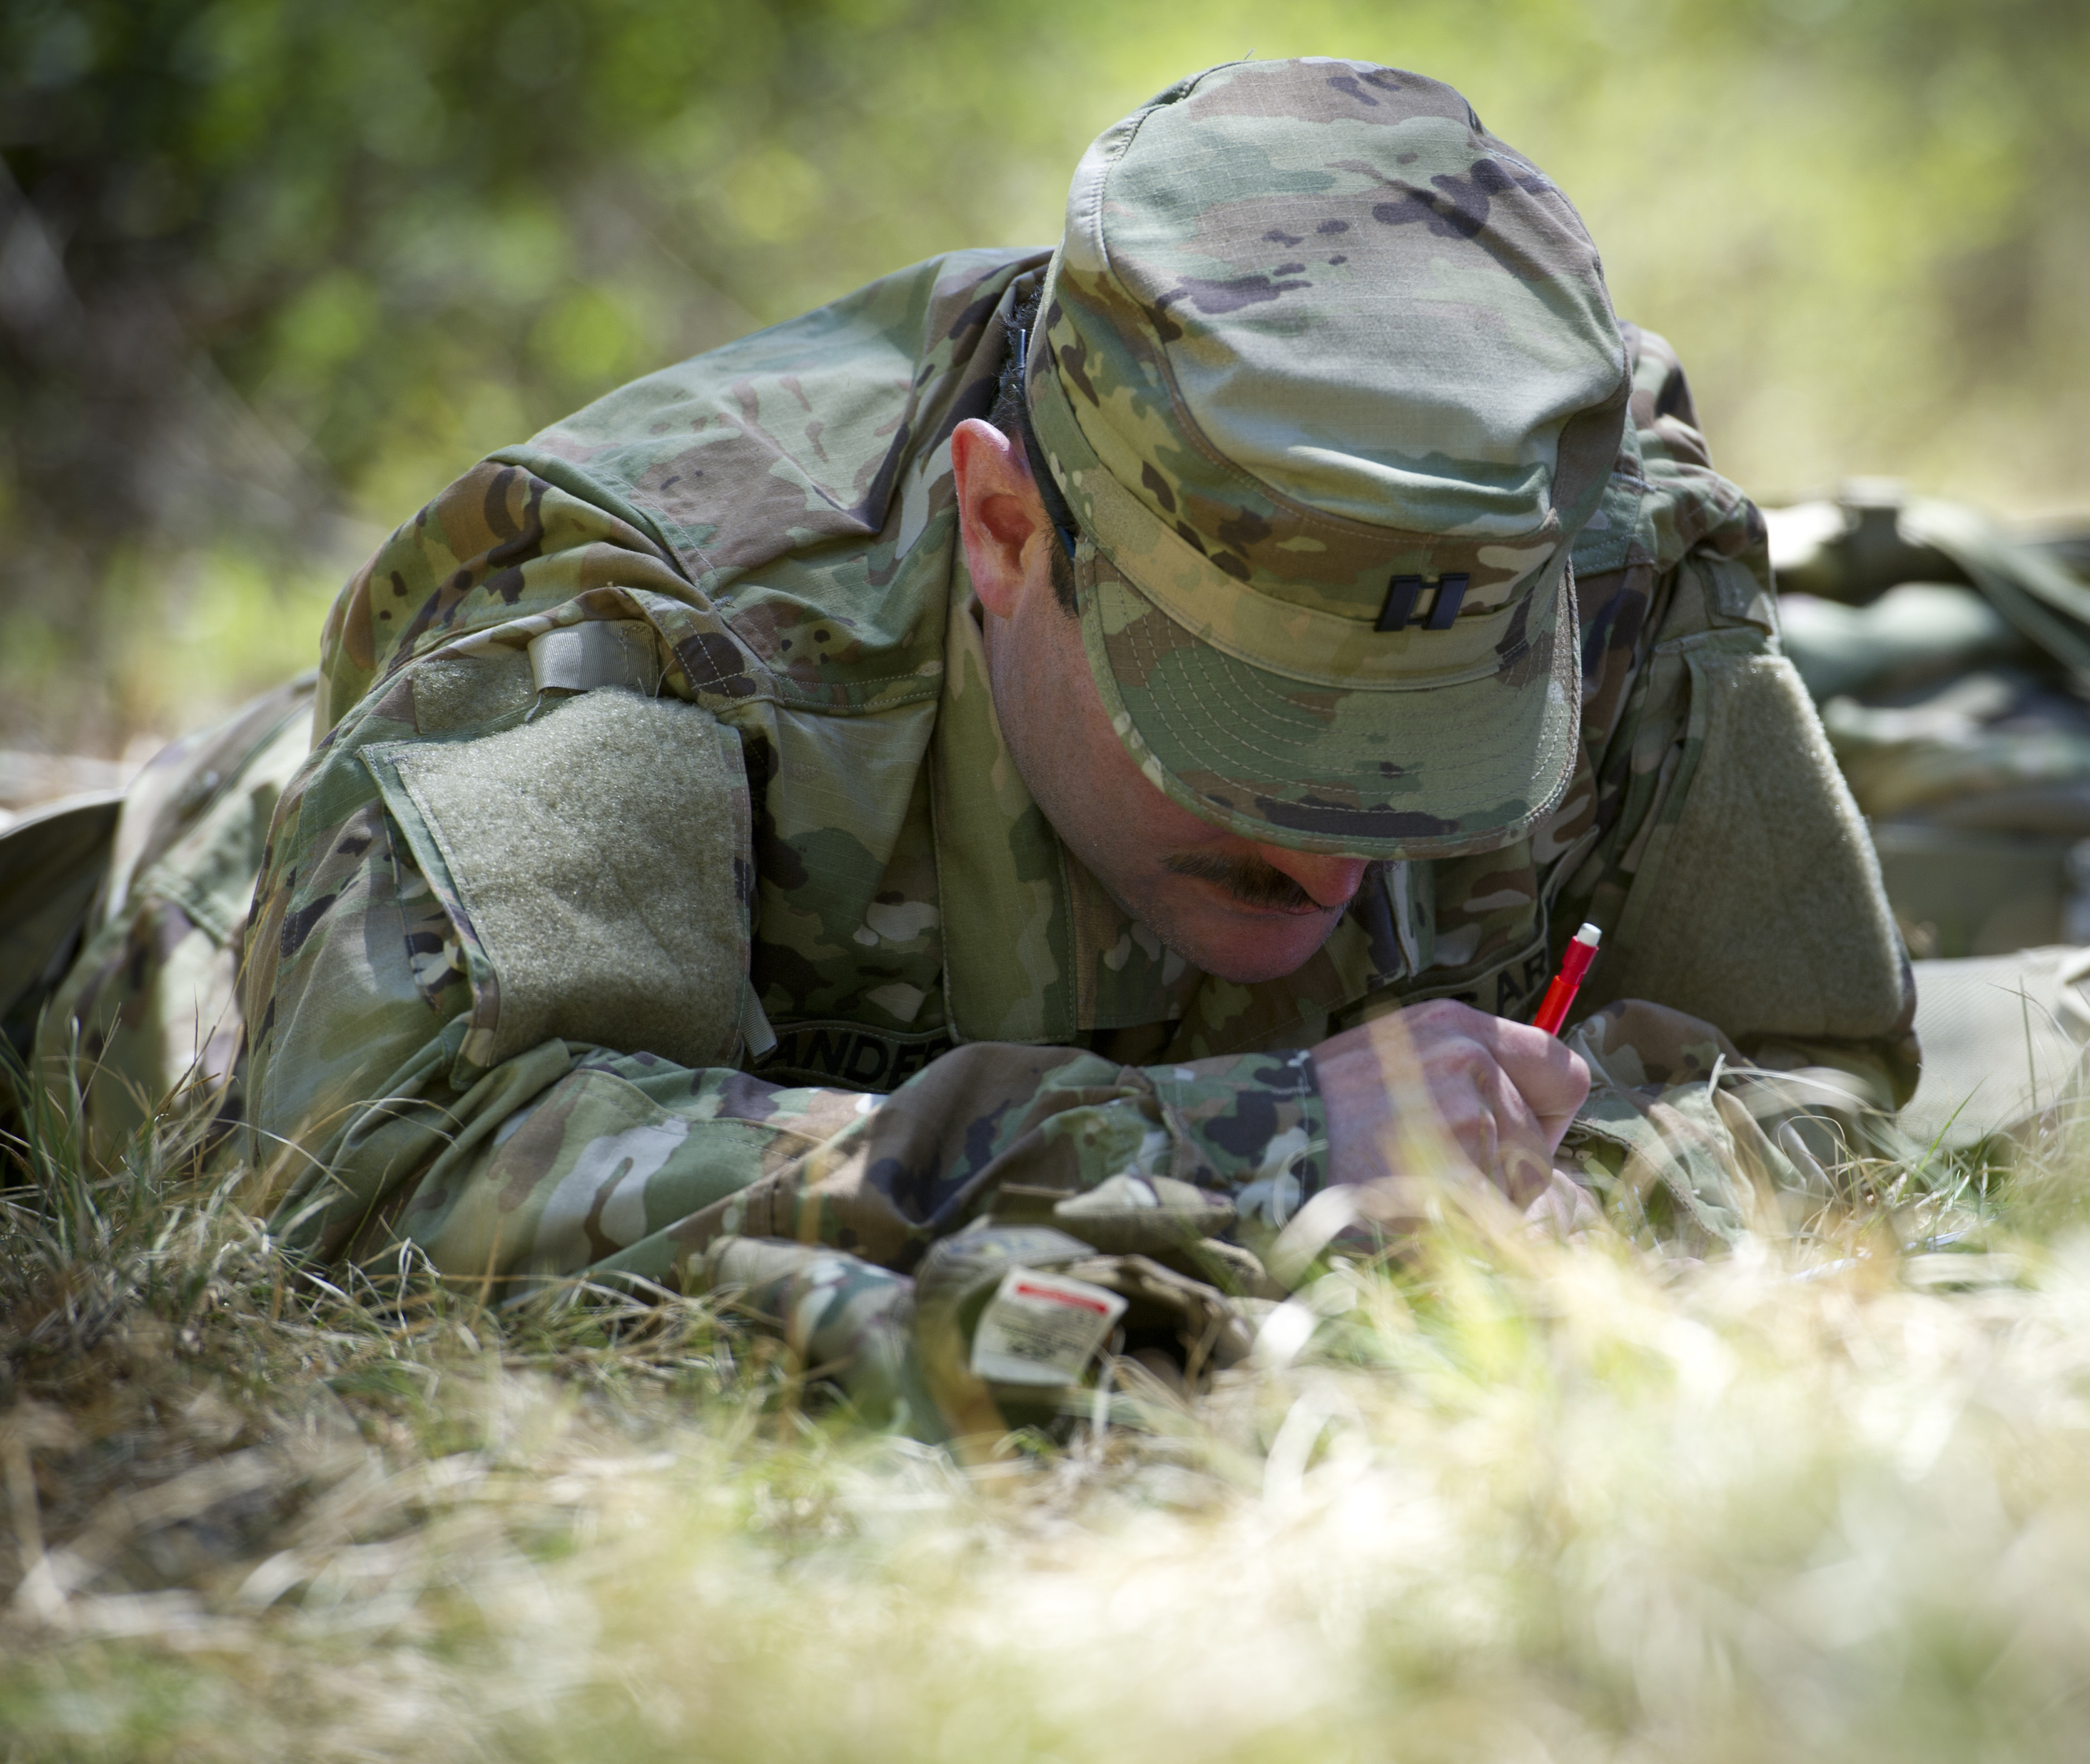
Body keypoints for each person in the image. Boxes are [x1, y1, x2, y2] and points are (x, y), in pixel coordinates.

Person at [1, 59, 1916, 1434]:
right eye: (1247, 731)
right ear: (1007, 533)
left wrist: (1585, 1187)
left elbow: (1818, 1073)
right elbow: (395, 1185)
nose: (1341, 851)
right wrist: (1250, 1148)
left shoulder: (1607, 561)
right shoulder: (642, 613)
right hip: (231, 932)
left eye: (1432, 750)